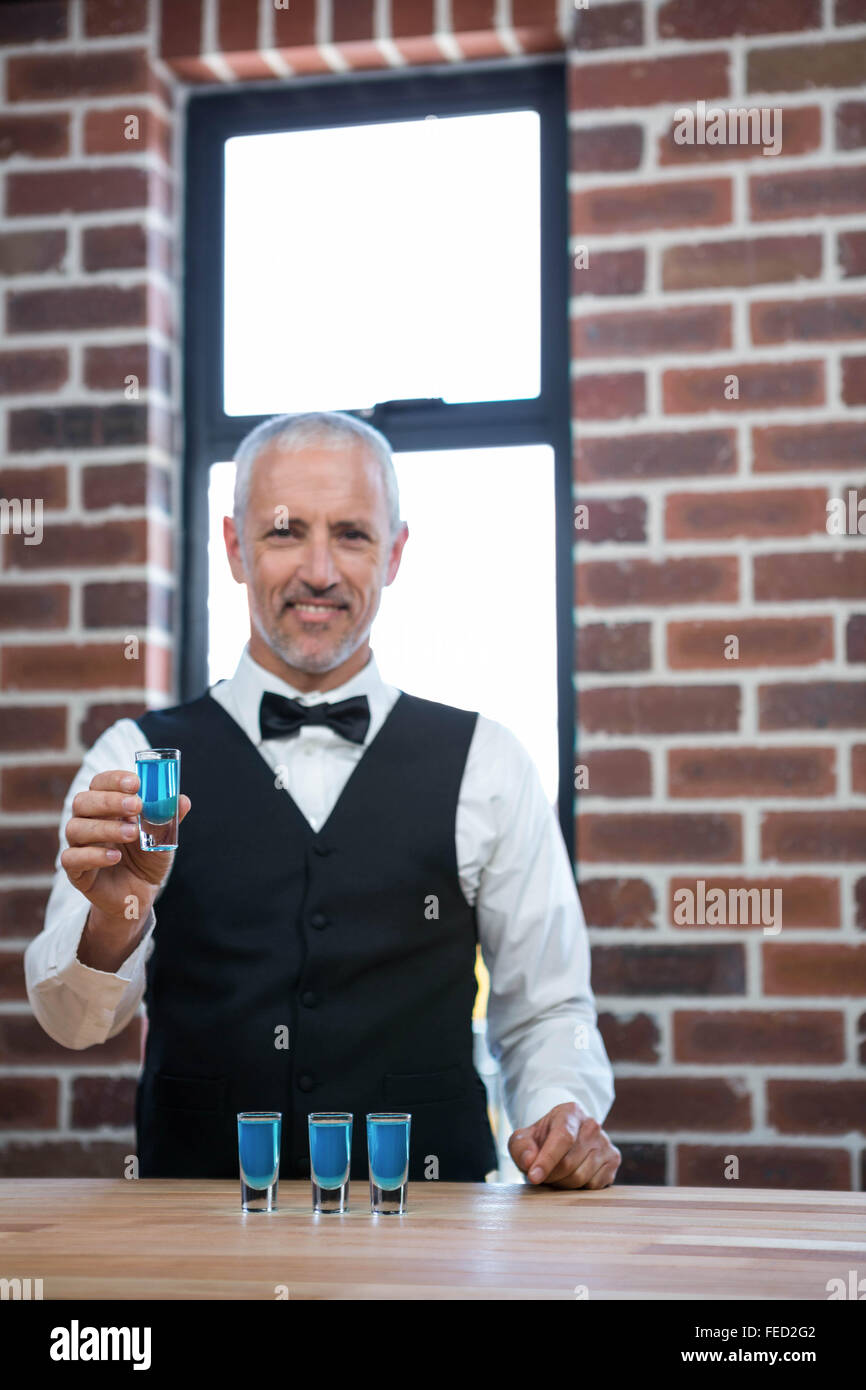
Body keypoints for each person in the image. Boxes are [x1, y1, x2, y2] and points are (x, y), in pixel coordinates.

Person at [25, 411, 620, 1189]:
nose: (318, 571)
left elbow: (548, 1012)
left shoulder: (489, 761)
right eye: (283, 533)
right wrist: (116, 917)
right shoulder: (138, 762)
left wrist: (560, 1111)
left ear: (396, 552)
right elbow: (73, 1024)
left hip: (429, 1235)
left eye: (351, 534)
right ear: (235, 547)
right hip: (196, 1238)